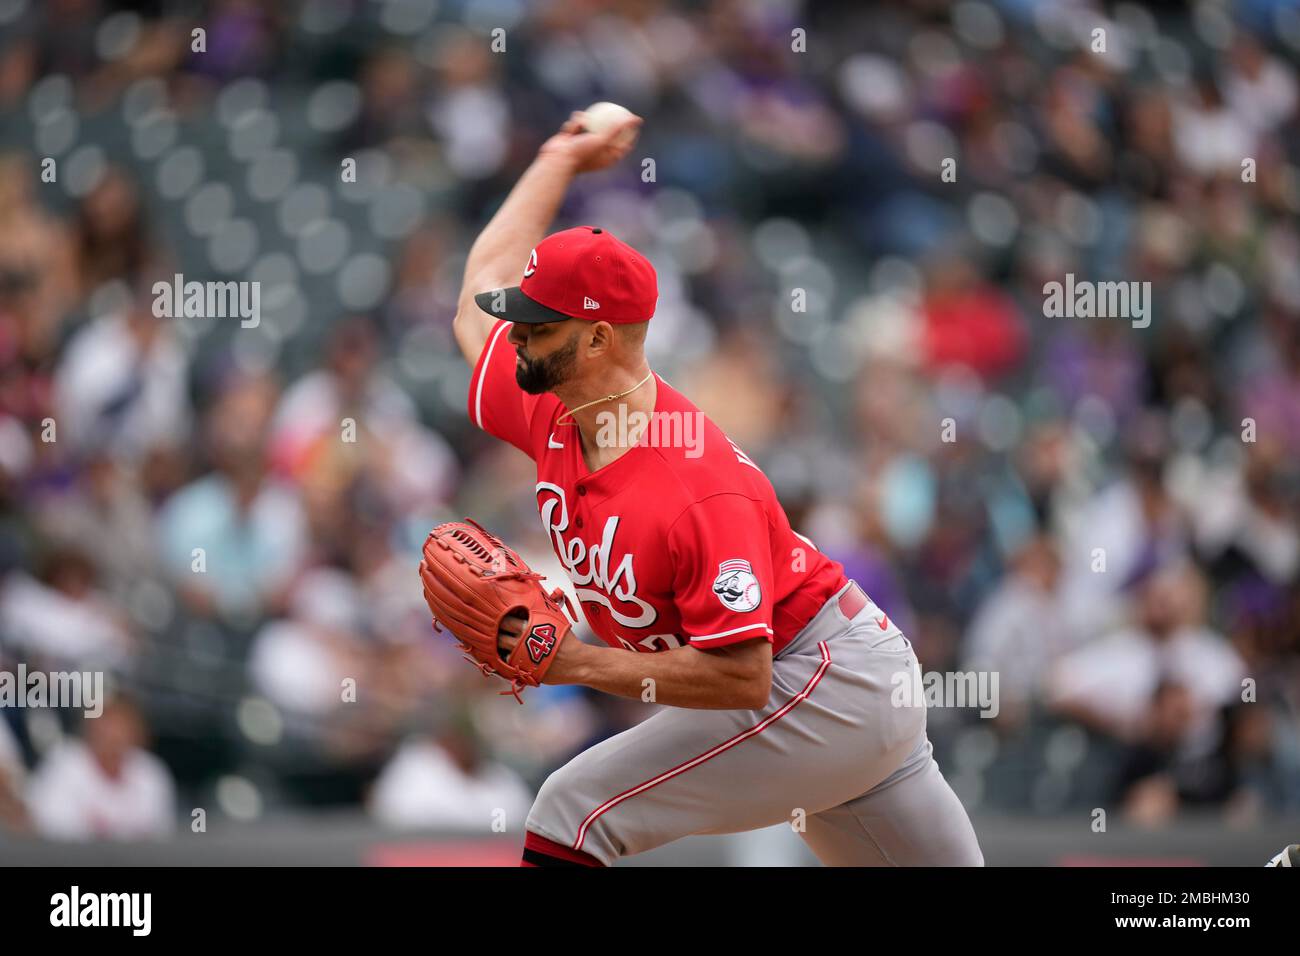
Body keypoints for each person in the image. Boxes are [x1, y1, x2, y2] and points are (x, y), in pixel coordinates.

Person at [448, 110, 982, 867]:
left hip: (817, 680)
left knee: (571, 809)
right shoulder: (552, 402)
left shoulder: (694, 482)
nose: (520, 336)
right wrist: (559, 157)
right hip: (842, 695)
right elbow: (481, 291)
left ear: (598, 340)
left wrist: (572, 664)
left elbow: (741, 674)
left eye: (539, 326)